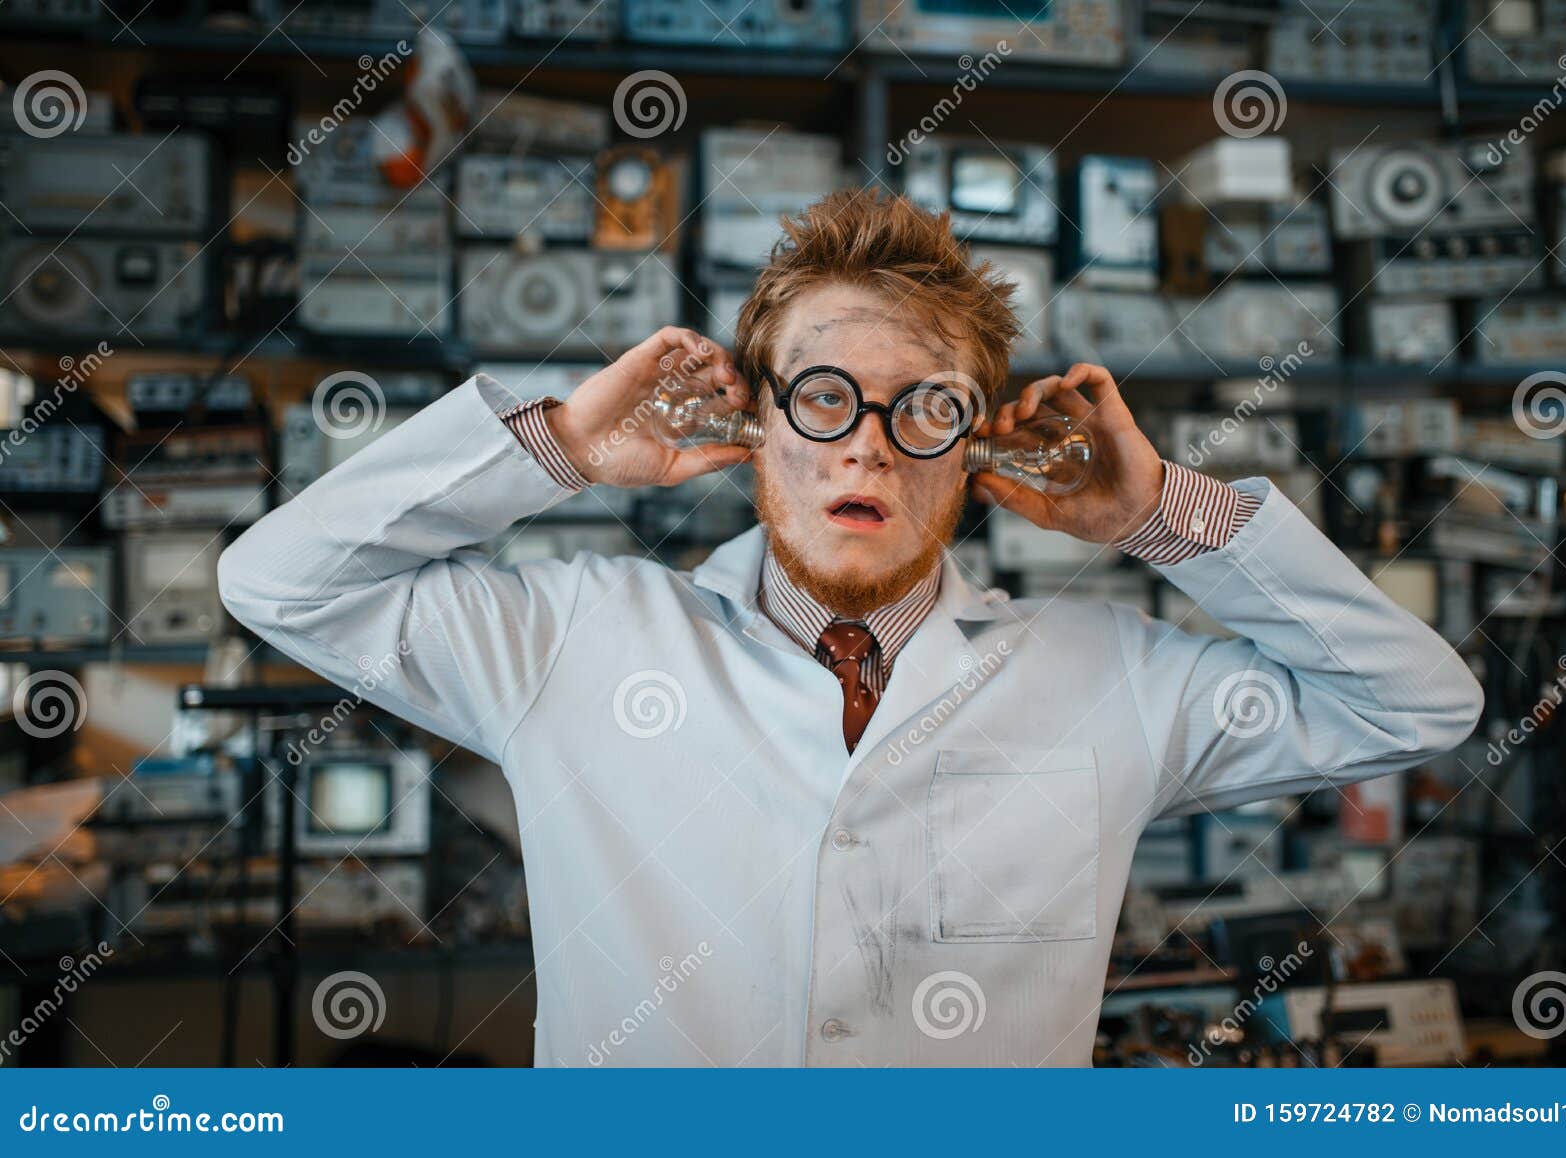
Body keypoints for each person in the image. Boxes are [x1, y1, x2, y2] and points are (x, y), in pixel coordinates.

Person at [217, 188, 1483, 1066]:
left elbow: (1420, 706)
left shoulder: (1112, 677)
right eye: (823, 397)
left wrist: (1164, 511)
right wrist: (556, 446)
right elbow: (281, 582)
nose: (866, 443)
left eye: (921, 408)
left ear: (977, 446)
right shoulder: (575, 639)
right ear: (755, 423)